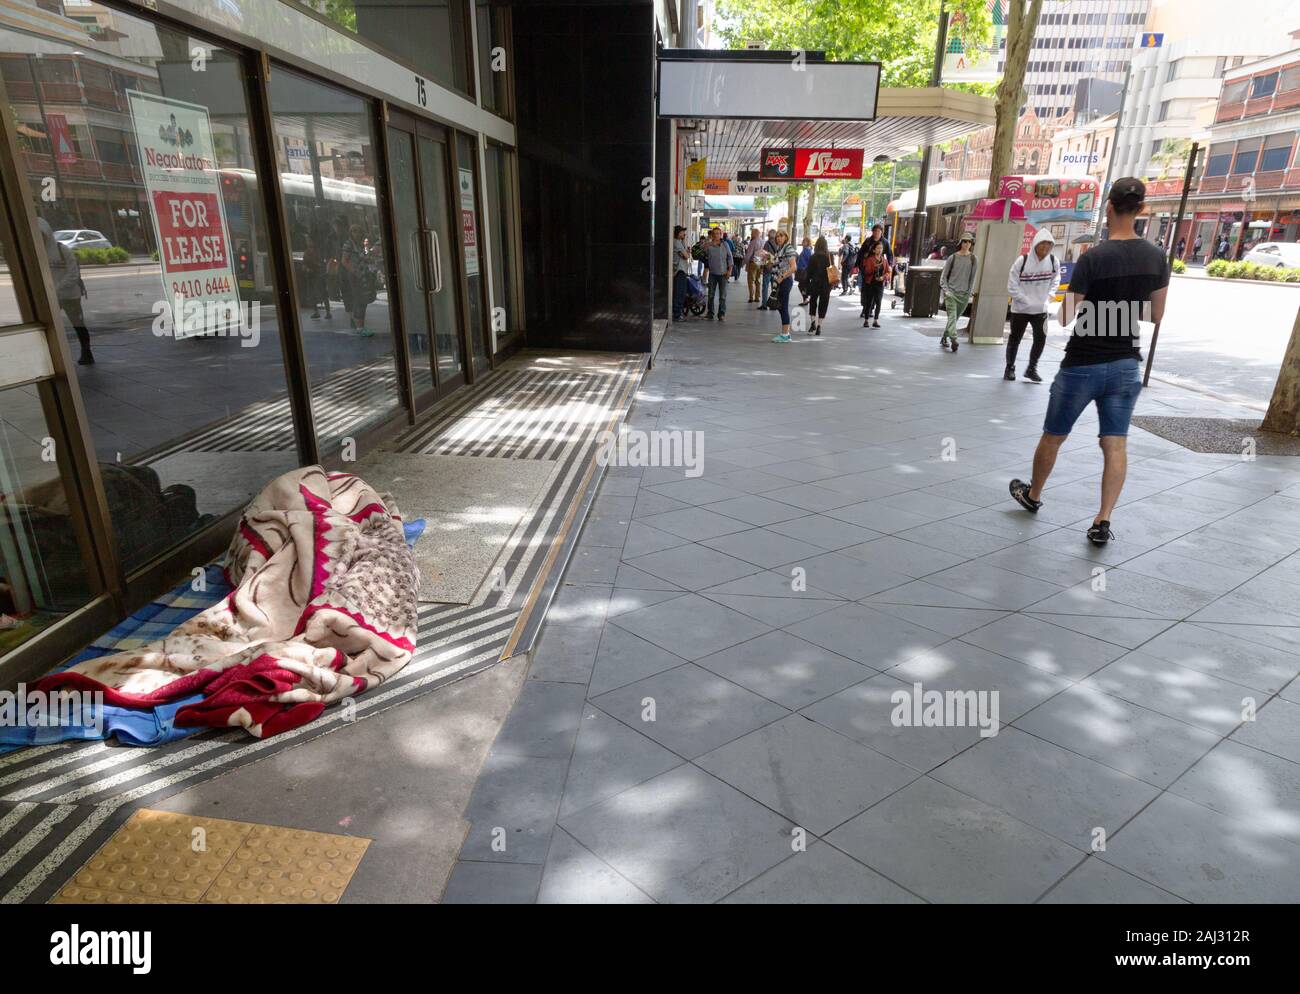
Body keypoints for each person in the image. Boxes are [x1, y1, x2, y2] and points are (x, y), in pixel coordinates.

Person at [1009, 178, 1169, 548]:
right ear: (1141, 210)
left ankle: (1033, 495)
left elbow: (1067, 315)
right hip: (1126, 364)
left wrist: (1097, 308)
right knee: (1115, 444)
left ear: (1109, 207)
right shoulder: (1156, 257)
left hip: (1082, 363)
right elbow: (1156, 314)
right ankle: (1102, 519)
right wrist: (1122, 310)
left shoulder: (1093, 257)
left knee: (1054, 435)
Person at [1004, 228, 1061, 382]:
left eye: (1049, 245)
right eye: (1042, 244)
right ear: (1035, 244)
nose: (1045, 248)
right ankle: (1009, 367)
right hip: (1020, 309)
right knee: (1015, 339)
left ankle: (1032, 368)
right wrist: (1025, 299)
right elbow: (1012, 286)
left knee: (1040, 338)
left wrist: (1050, 295)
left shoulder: (1053, 261)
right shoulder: (1021, 261)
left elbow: (1056, 280)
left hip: (1041, 309)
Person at [39, 218, 93, 365]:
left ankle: (86, 352)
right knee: (50, 326)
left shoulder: (62, 249)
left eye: (42, 234)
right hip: (52, 297)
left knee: (78, 324)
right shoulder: (38, 253)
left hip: (70, 296)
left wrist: (57, 288)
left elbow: (73, 274)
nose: (40, 237)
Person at [938, 235, 977, 352]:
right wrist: (947, 291)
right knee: (952, 317)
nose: (967, 243)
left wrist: (969, 292)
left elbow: (973, 278)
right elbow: (943, 277)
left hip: (964, 295)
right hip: (951, 294)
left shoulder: (974, 259)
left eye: (969, 241)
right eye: (964, 241)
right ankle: (954, 339)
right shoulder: (952, 258)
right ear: (961, 242)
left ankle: (944, 337)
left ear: (971, 243)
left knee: (954, 319)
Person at [340, 223, 376, 337]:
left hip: (363, 274)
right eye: (354, 231)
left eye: (358, 230)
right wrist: (355, 272)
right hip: (355, 276)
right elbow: (344, 261)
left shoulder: (361, 244)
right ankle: (359, 327)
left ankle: (360, 325)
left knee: (363, 300)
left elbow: (366, 256)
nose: (357, 233)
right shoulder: (348, 245)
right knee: (359, 300)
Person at [768, 230, 799, 343]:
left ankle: (785, 334)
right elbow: (778, 263)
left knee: (783, 306)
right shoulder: (779, 248)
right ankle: (786, 333)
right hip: (778, 281)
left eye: (781, 236)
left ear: (786, 237)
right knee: (780, 306)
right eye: (777, 236)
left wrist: (782, 277)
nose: (778, 238)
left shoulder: (788, 248)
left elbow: (793, 267)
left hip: (784, 281)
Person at [859, 224, 894, 317]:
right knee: (866, 291)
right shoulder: (868, 241)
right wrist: (858, 265)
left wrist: (889, 265)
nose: (876, 233)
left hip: (880, 271)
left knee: (877, 294)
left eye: (878, 231)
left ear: (881, 232)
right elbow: (860, 253)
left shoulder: (885, 242)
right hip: (868, 270)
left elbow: (890, 255)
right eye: (875, 231)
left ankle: (870, 309)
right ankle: (865, 308)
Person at [804, 236, 833, 336]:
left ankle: (813, 323)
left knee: (813, 302)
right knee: (823, 304)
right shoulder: (829, 256)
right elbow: (832, 270)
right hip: (826, 284)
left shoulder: (813, 257)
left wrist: (806, 286)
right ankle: (819, 326)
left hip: (815, 283)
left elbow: (808, 273)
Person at [703, 227, 733, 322]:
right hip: (712, 274)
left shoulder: (725, 245)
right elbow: (701, 250)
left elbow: (730, 257)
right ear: (712, 235)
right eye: (714, 233)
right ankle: (710, 313)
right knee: (711, 295)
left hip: (723, 274)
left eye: (718, 233)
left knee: (722, 296)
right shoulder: (709, 245)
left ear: (720, 235)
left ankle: (721, 314)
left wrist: (730, 270)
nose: (716, 235)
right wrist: (708, 244)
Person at [860, 241, 890, 329]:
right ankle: (866, 320)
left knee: (878, 302)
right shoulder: (870, 259)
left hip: (880, 284)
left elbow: (888, 271)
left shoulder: (884, 260)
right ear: (874, 250)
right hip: (870, 283)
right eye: (878, 248)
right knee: (869, 302)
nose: (880, 250)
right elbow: (866, 271)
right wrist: (874, 268)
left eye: (881, 248)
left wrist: (883, 277)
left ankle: (875, 320)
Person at [671, 225, 692, 321]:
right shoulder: (677, 242)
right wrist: (686, 254)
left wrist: (685, 253)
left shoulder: (679, 242)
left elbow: (684, 255)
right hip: (680, 271)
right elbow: (686, 256)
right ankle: (677, 314)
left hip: (680, 270)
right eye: (683, 232)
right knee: (679, 293)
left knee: (680, 292)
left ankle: (678, 313)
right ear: (679, 233)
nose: (684, 234)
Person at [743, 228, 764, 303]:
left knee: (751, 280)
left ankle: (751, 297)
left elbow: (749, 254)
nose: (751, 234)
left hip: (753, 262)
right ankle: (757, 297)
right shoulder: (763, 241)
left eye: (752, 233)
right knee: (758, 280)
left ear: (755, 234)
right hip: (760, 262)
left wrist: (744, 262)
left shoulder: (753, 242)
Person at [759, 229, 778, 310]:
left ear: (769, 235)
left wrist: (762, 266)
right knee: (774, 288)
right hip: (776, 269)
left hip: (768, 268)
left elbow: (764, 256)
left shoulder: (767, 243)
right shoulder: (779, 243)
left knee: (765, 287)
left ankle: (764, 305)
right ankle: (773, 304)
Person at [796, 236, 813, 303]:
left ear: (808, 243)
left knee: (801, 285)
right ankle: (805, 298)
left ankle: (806, 298)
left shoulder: (807, 250)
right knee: (803, 285)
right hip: (802, 270)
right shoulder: (805, 249)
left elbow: (809, 260)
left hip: (804, 270)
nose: (803, 243)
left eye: (804, 241)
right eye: (803, 241)